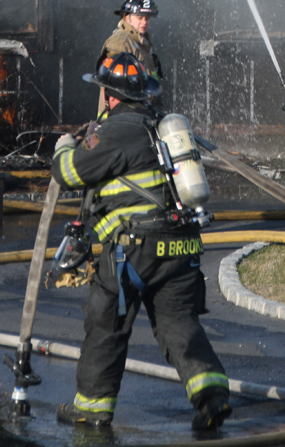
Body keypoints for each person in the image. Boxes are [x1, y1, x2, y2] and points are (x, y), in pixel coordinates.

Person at [52, 52, 230, 431]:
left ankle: (92, 409)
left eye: (103, 92)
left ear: (110, 97)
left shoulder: (115, 132)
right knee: (180, 324)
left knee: (106, 326)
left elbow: (68, 173)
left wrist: (65, 145)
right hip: (181, 247)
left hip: (133, 251)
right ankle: (212, 397)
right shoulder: (160, 126)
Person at [98, 0, 163, 118]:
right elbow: (110, 87)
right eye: (139, 18)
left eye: (147, 18)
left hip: (138, 117)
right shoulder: (121, 42)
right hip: (121, 120)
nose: (144, 22)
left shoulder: (141, 43)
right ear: (127, 18)